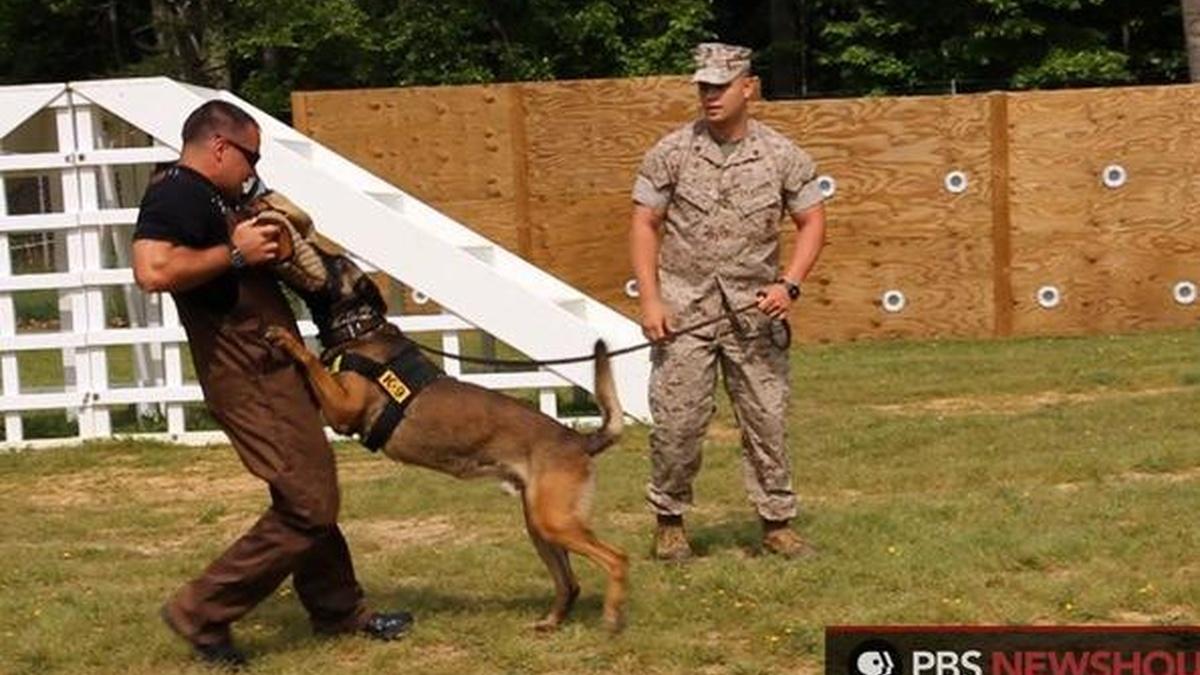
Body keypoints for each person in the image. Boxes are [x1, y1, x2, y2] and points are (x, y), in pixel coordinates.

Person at [132, 100, 411, 669]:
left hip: (271, 362)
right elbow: (153, 270)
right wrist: (237, 252)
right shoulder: (177, 192)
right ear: (219, 146)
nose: (253, 170)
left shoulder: (217, 197)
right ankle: (201, 610)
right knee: (309, 502)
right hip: (245, 372)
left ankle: (337, 609)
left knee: (308, 489)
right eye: (250, 157)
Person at [629, 43, 827, 561]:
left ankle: (777, 524)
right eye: (704, 86)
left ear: (748, 88)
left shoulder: (781, 155)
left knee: (767, 420)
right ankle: (669, 522)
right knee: (677, 423)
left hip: (754, 314)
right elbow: (644, 223)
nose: (710, 95)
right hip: (684, 313)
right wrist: (651, 301)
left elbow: (813, 221)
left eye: (720, 85)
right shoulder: (672, 152)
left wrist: (789, 284)